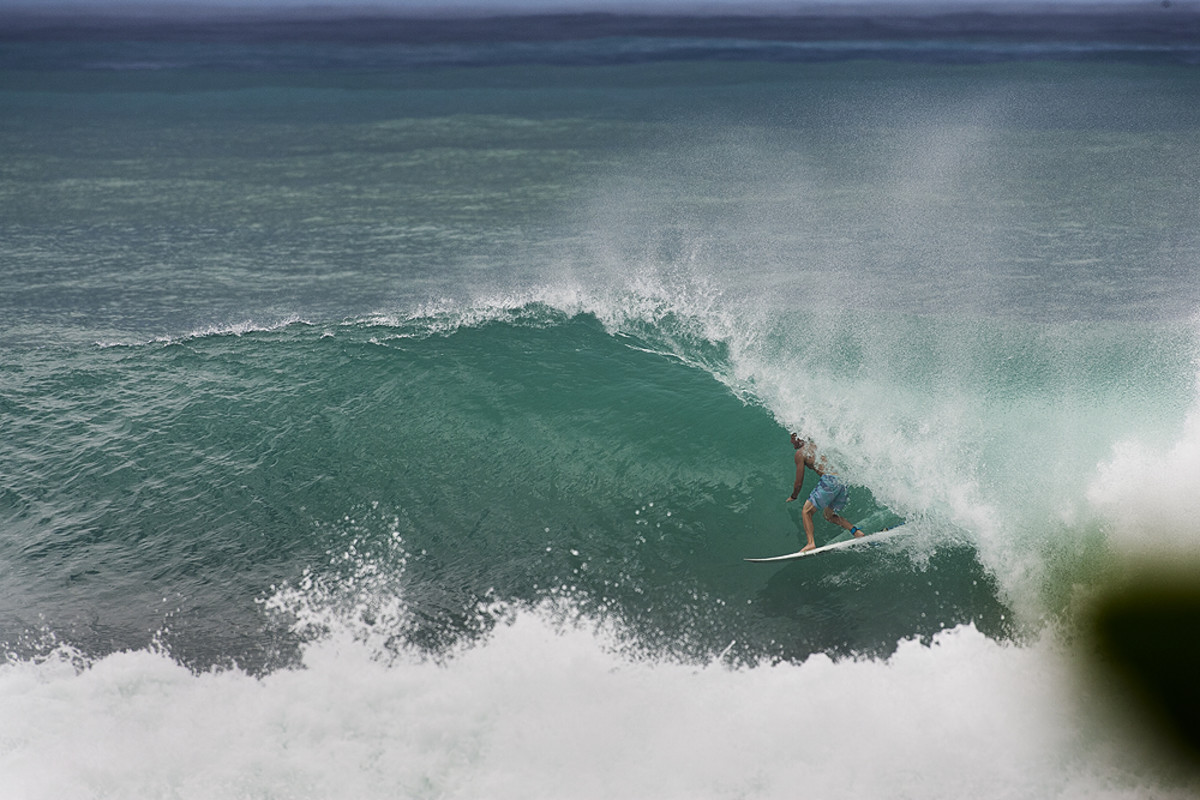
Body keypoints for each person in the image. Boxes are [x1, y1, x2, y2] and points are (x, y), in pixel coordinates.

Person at [785, 432, 866, 553]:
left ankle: (811, 543)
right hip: (842, 480)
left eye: (792, 438)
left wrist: (794, 495)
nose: (791, 441)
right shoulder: (817, 445)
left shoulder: (800, 453)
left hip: (830, 480)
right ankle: (857, 532)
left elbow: (798, 482)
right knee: (829, 515)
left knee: (806, 512)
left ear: (798, 438)